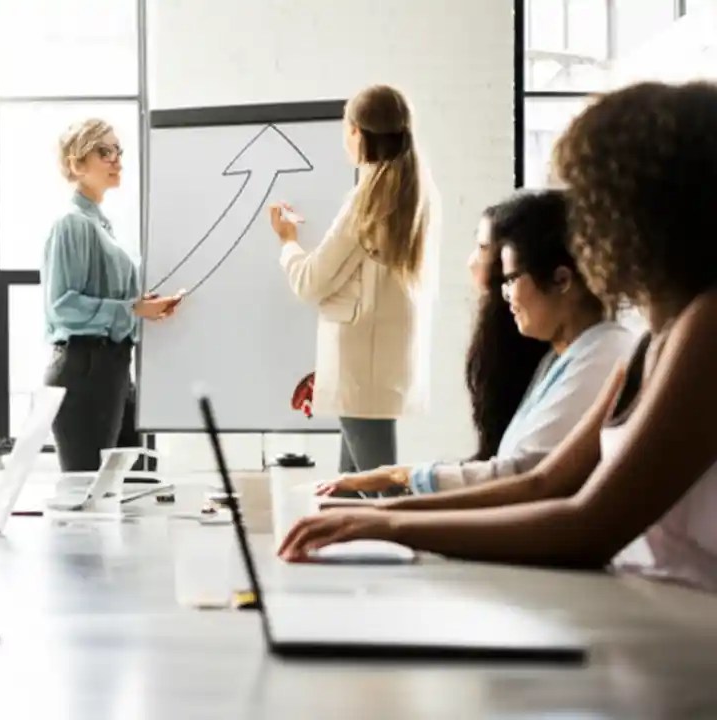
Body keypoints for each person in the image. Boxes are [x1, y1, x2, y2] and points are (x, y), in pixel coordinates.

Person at [279, 81, 717, 592]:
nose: (581, 230)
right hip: (645, 605)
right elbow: (543, 483)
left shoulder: (703, 327)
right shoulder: (651, 344)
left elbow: (588, 525)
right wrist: (386, 513)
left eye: (595, 202)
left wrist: (388, 522)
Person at [315, 190, 634, 496]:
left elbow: (523, 475)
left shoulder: (603, 356)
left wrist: (401, 478)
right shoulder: (561, 357)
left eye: (510, 279)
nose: (504, 292)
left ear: (562, 281)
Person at [269, 84, 434, 473]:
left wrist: (287, 242)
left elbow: (310, 281)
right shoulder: (410, 193)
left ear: (357, 132)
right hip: (378, 363)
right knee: (352, 490)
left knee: (377, 488)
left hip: (359, 365)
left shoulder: (367, 202)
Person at [41, 118, 183, 472]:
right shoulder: (72, 224)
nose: (116, 159)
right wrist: (133, 308)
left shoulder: (102, 225)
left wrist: (141, 306)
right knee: (89, 496)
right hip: (84, 369)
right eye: (104, 151)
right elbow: (62, 307)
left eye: (118, 150)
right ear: (77, 163)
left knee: (130, 490)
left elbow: (119, 306)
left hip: (114, 369)